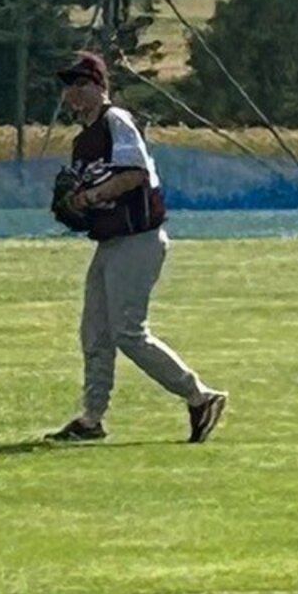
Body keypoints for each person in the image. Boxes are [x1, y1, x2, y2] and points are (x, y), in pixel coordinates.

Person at [44, 51, 229, 444]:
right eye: (68, 85)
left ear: (100, 86)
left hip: (139, 240)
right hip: (111, 242)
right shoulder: (83, 141)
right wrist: (77, 205)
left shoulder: (116, 121)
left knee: (128, 332)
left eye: (81, 83)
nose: (73, 92)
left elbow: (134, 175)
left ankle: (199, 396)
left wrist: (89, 198)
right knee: (95, 332)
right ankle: (91, 419)